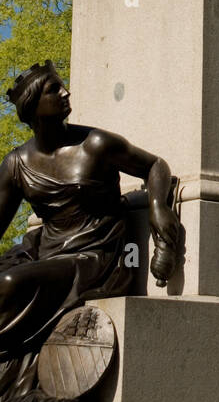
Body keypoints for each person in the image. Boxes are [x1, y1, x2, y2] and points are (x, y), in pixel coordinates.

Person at [0, 62, 180, 365]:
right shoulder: (17, 164)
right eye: (54, 89)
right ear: (33, 105)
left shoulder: (95, 144)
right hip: (46, 252)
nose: (66, 92)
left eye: (62, 84)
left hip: (96, 258)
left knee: (8, 283)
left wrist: (158, 208)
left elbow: (154, 166)